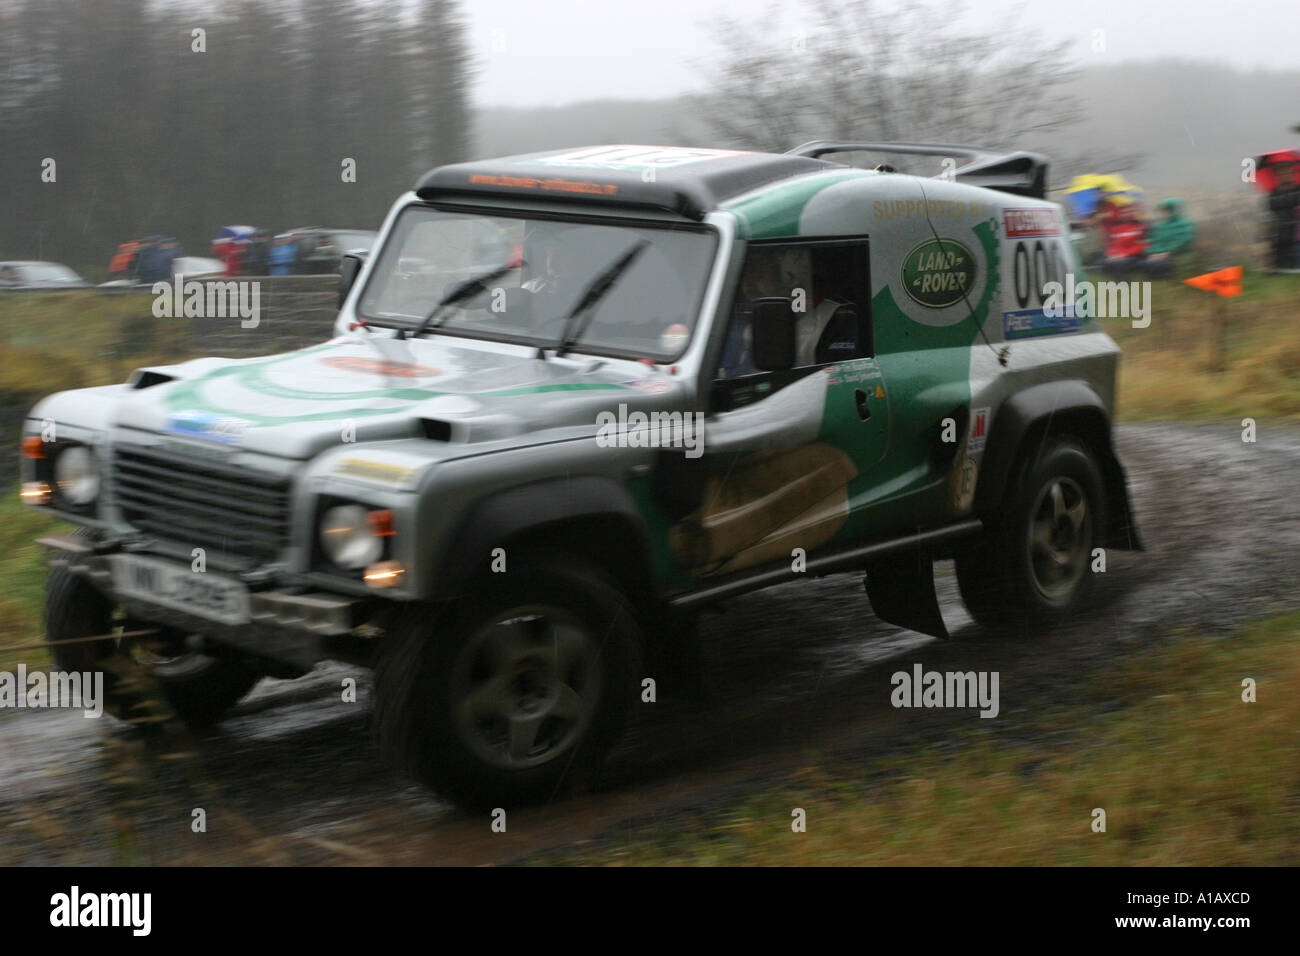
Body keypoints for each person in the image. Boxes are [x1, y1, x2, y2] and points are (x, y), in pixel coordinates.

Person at [1141, 198, 1196, 277]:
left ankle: (1166, 277)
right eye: (1163, 210)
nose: (1164, 212)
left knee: (1156, 264)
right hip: (1158, 255)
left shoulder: (1184, 224)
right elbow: (1153, 240)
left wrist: (1166, 253)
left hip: (1175, 255)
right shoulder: (1159, 225)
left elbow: (1184, 241)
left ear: (1174, 210)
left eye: (1167, 210)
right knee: (1142, 263)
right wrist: (1151, 253)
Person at [1099, 200, 1146, 276]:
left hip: (1134, 255)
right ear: (1120, 214)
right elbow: (1112, 245)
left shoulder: (1139, 226)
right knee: (1103, 262)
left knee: (1119, 264)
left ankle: (1125, 285)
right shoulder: (1115, 228)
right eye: (1124, 212)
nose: (1128, 214)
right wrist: (1112, 255)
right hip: (1118, 255)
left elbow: (1142, 245)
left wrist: (1124, 255)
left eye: (1130, 211)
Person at [1267, 163, 1300, 272]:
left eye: (1288, 172)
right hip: (1281, 233)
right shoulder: (1274, 194)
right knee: (1283, 265)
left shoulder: (1297, 189)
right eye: (1282, 173)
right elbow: (1272, 209)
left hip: (1296, 232)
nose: (1285, 175)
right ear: (1277, 176)